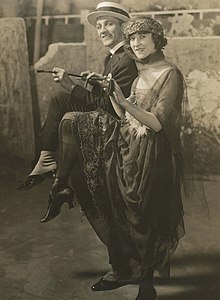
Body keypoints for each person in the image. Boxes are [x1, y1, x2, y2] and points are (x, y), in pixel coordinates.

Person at [40, 16, 189, 300]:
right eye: (133, 39)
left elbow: (157, 124)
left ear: (157, 40)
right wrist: (116, 96)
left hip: (153, 154)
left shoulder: (171, 74)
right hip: (128, 148)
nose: (137, 43)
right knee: (129, 213)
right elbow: (122, 115)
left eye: (143, 37)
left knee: (146, 216)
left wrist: (121, 102)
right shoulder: (141, 71)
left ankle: (147, 286)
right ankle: (129, 270)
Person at [17, 1, 138, 191]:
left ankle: (47, 161)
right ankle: (46, 159)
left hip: (117, 122)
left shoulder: (126, 61)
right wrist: (97, 83)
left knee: (61, 97)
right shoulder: (113, 57)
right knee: (59, 98)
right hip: (109, 111)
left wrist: (72, 87)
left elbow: (110, 106)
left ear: (123, 28)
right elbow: (109, 93)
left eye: (109, 24)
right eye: (99, 26)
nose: (102, 31)